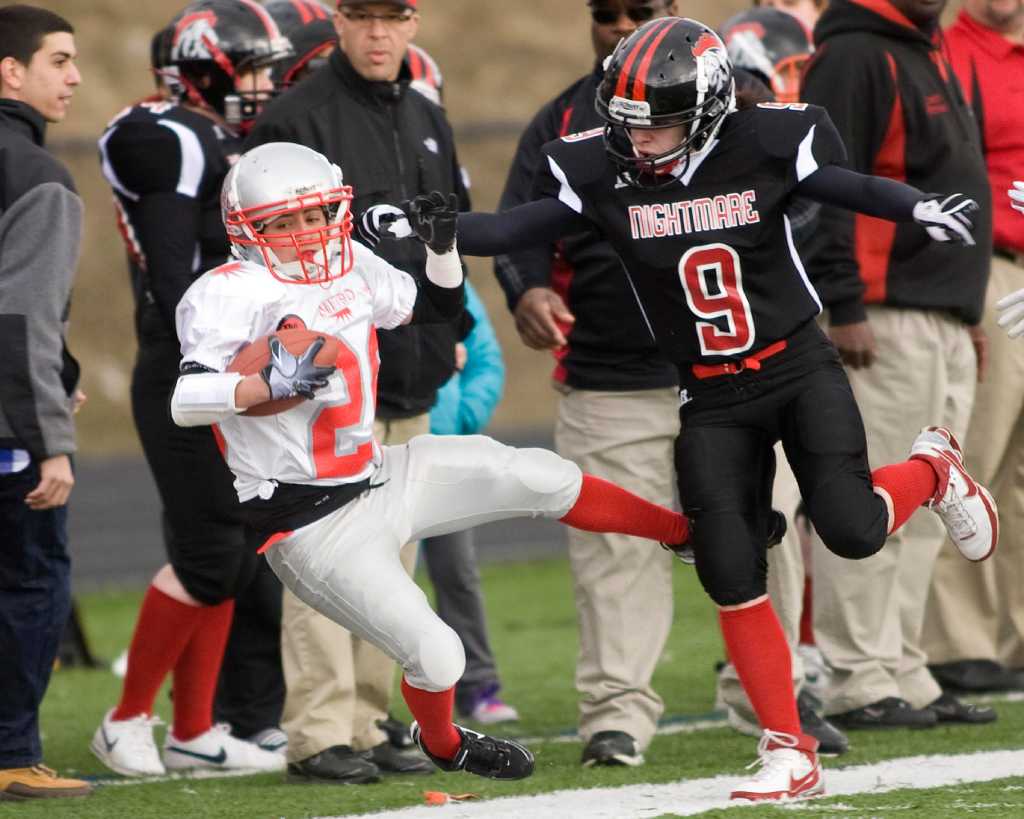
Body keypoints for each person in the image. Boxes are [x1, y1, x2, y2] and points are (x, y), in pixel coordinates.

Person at [395, 17, 998, 801]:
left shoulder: (770, 140)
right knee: (727, 563)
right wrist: (432, 228)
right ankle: (791, 748)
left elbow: (845, 187)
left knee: (851, 528)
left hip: (796, 367)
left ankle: (935, 470)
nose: (640, 143)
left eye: (662, 125)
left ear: (710, 107)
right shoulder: (601, 165)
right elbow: (514, 227)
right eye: (629, 125)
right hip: (710, 391)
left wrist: (913, 207)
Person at [169, 140, 693, 784]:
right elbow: (187, 399)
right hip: (308, 523)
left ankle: (685, 534)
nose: (304, 235)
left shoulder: (353, 261)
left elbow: (440, 310)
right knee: (437, 653)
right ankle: (444, 743)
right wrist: (269, 386)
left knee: (538, 474)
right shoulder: (227, 292)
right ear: (248, 231)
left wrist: (443, 251)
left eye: (313, 216)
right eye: (282, 222)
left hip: (381, 474)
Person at [244, 0, 469, 782]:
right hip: (325, 387)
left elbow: (447, 237)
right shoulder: (294, 118)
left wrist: (453, 326)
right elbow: (258, 249)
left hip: (408, 369)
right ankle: (316, 729)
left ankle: (372, 719)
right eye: (363, 16)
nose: (378, 33)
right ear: (339, 20)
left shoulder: (427, 114)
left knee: (392, 557)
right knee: (327, 558)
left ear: (415, 22)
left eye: (393, 16)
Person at [90, 0, 294, 778]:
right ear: (203, 69)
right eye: (251, 68)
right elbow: (175, 272)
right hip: (186, 366)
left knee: (236, 549)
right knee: (212, 551)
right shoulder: (165, 132)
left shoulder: (212, 134)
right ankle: (128, 717)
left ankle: (195, 729)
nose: (264, 83)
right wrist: (211, 361)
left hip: (220, 364)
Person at [491, 0, 680, 769]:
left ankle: (774, 693)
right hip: (610, 373)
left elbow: (800, 219)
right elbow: (514, 228)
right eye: (609, 11)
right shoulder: (564, 119)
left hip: (736, 370)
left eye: (644, 9)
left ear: (674, 12)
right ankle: (616, 712)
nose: (623, 24)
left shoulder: (741, 110)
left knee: (764, 532)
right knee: (614, 549)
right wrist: (527, 288)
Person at [800, 0, 997, 731]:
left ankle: (903, 666)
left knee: (930, 503)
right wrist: (844, 301)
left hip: (939, 314)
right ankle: (858, 674)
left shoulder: (923, 46)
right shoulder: (856, 54)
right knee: (876, 493)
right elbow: (822, 184)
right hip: (882, 316)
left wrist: (965, 310)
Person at [713, 3, 849, 757]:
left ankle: (783, 684)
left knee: (805, 517)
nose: (794, 83)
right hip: (710, 365)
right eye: (785, 68)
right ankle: (765, 688)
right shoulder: (728, 147)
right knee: (735, 529)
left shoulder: (788, 137)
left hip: (782, 355)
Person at [0, 4, 90, 800]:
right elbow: (18, 320)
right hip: (7, 437)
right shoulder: (37, 176)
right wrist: (49, 437)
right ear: (11, 72)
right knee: (31, 584)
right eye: (59, 60)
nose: (74, 76)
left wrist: (59, 371)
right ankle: (10, 753)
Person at [922, 0, 1024, 697]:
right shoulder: (948, 54)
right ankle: (960, 640)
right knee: (982, 452)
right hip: (993, 264)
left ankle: (1016, 634)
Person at [421, 280, 519, 724]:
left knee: (456, 573)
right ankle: (366, 711)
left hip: (443, 455)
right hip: (376, 450)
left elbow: (486, 360)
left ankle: (477, 684)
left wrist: (462, 416)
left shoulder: (452, 282)